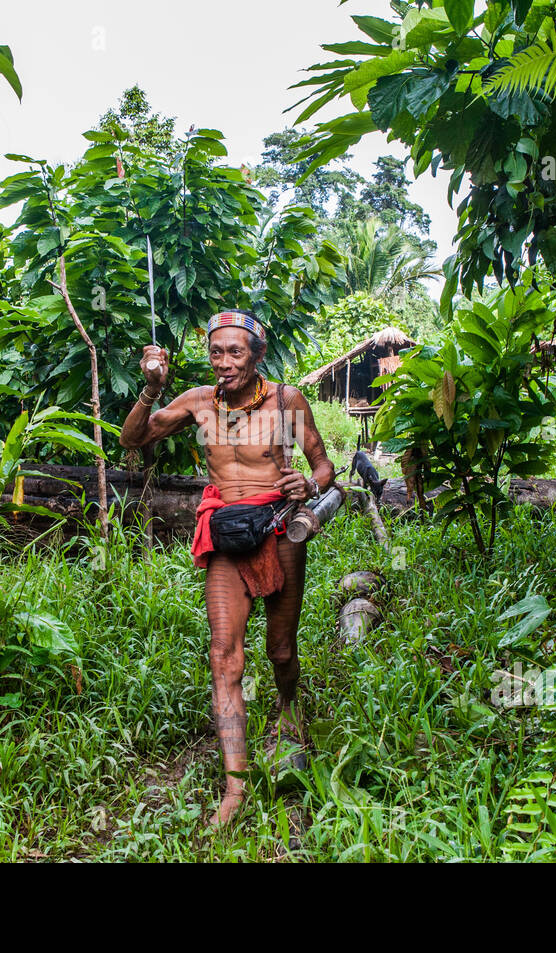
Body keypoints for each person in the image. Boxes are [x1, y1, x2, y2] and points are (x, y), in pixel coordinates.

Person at [119, 309, 336, 826]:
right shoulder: (198, 402)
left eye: (235, 352)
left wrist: (310, 485)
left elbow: (323, 463)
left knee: (281, 648)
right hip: (224, 532)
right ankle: (235, 789)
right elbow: (133, 439)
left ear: (258, 355)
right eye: (216, 352)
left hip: (280, 528)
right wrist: (151, 389)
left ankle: (288, 708)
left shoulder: (287, 400)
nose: (223, 362)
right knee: (223, 657)